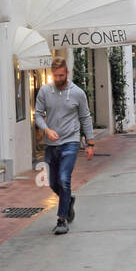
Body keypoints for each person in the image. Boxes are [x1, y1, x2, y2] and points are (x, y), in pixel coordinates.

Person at [34, 56, 95, 235]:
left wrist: (90, 143)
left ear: (67, 72)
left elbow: (85, 117)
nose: (59, 79)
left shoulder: (78, 93)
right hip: (51, 144)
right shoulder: (45, 91)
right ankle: (68, 200)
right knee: (53, 183)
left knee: (63, 178)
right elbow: (37, 115)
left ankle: (62, 220)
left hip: (71, 142)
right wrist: (46, 130)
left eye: (61, 75)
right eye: (55, 76)